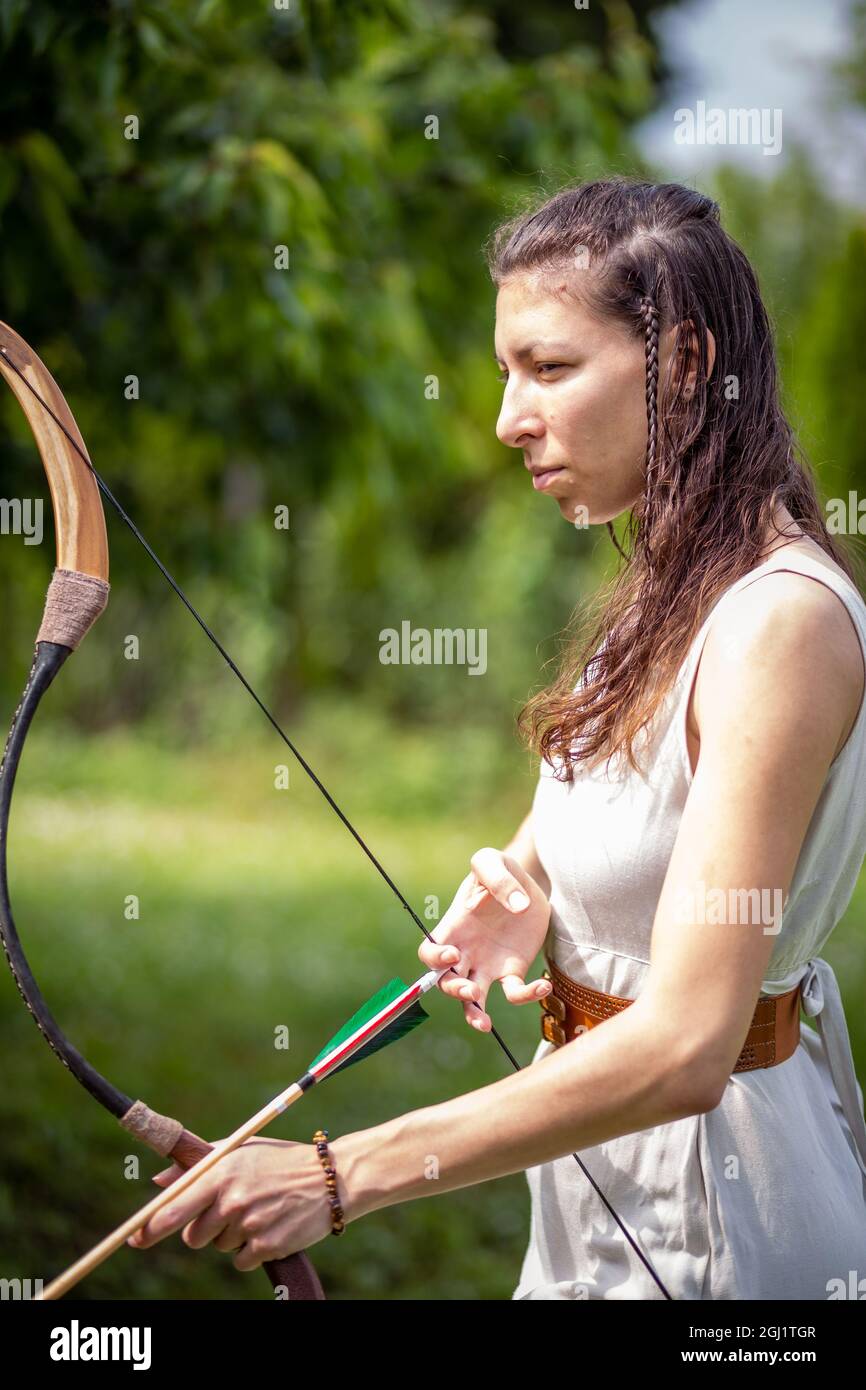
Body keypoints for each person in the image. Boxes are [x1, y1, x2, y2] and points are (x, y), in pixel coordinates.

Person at [129, 178, 866, 1300]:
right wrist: (526, 880)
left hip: (721, 1228)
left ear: (678, 363)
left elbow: (685, 1044)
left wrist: (339, 1175)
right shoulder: (666, 587)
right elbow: (624, 805)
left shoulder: (778, 623)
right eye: (504, 370)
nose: (506, 416)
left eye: (549, 367)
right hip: (600, 1198)